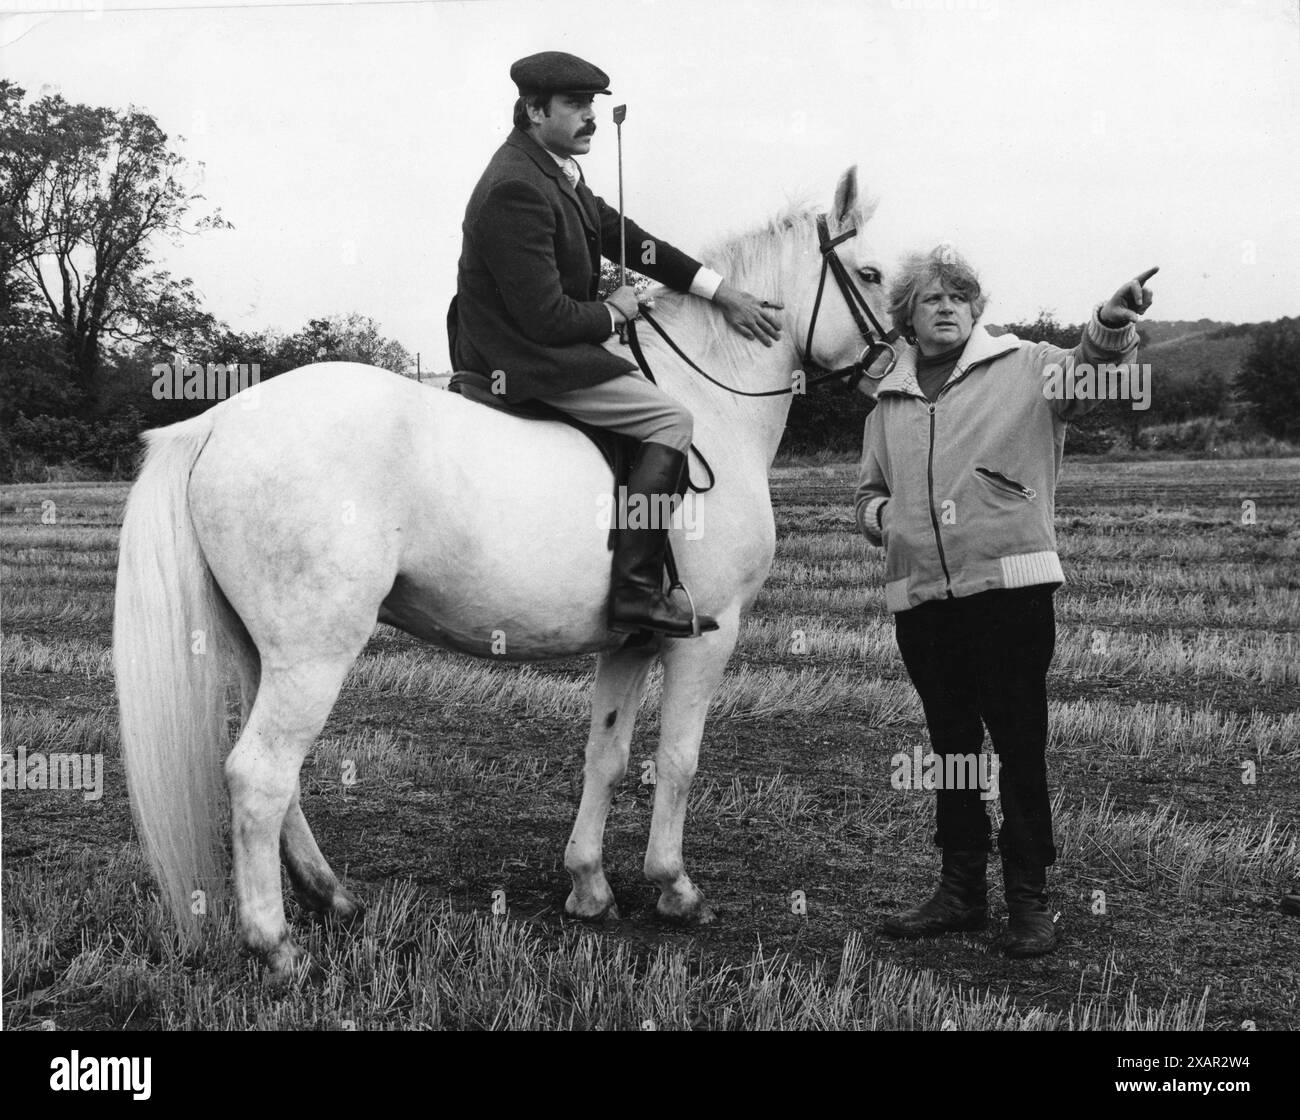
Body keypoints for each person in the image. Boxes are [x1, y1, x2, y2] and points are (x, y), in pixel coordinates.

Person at [855, 245, 1156, 958]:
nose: (950, 306)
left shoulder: (1026, 365)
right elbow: (868, 495)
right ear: (906, 317)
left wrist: (1110, 324)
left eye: (961, 296)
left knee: (1018, 747)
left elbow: (1090, 378)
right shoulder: (887, 398)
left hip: (1009, 590)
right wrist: (884, 521)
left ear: (977, 309)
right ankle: (960, 892)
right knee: (951, 748)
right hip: (922, 598)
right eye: (934, 298)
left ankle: (1028, 900)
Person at [450, 51, 781, 637]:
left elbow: (632, 242)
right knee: (670, 420)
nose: (590, 117)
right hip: (521, 356)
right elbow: (546, 318)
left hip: (544, 341)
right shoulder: (515, 188)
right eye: (575, 105)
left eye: (592, 106)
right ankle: (634, 592)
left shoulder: (555, 173)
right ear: (533, 109)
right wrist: (613, 310)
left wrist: (721, 292)